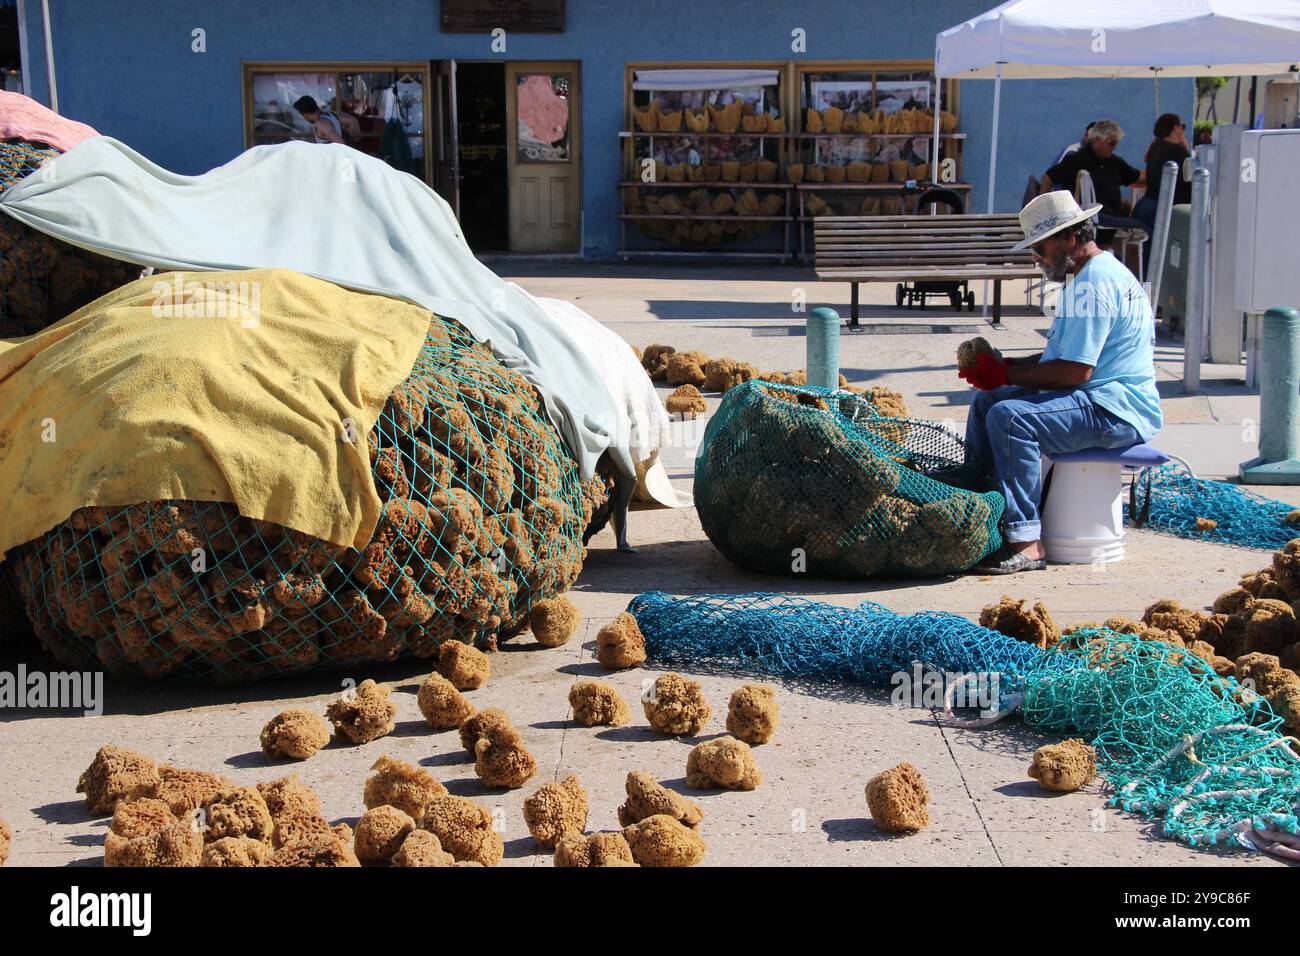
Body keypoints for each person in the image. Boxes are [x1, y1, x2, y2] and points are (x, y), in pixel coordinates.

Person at [958, 191, 1162, 574]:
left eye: (1040, 247)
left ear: (1069, 238)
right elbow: (1063, 360)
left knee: (1011, 417)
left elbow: (1075, 372)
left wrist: (1005, 374)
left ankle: (1025, 540)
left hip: (1115, 409)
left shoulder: (1092, 285)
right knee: (989, 403)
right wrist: (1009, 367)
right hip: (1098, 398)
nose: (1036, 258)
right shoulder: (1094, 274)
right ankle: (980, 509)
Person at [1040, 119, 1146, 249]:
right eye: (1112, 143)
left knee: (1138, 221)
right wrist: (1046, 215)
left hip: (1107, 220)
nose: (1115, 147)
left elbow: (1135, 176)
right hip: (1092, 220)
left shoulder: (1113, 162)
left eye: (1116, 144)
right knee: (1145, 226)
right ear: (1097, 140)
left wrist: (1158, 173)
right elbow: (1048, 178)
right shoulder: (1076, 159)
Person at [1132, 113, 1191, 267]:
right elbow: (1189, 180)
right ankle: (1151, 288)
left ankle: (1145, 286)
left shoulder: (1155, 147)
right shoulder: (1177, 151)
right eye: (1182, 126)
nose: (1183, 130)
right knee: (1159, 257)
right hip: (1162, 208)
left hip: (1146, 204)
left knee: (1148, 254)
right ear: (1175, 128)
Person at [292, 95, 358, 145]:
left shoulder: (321, 124)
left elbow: (341, 143)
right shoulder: (330, 115)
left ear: (306, 114)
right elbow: (351, 122)